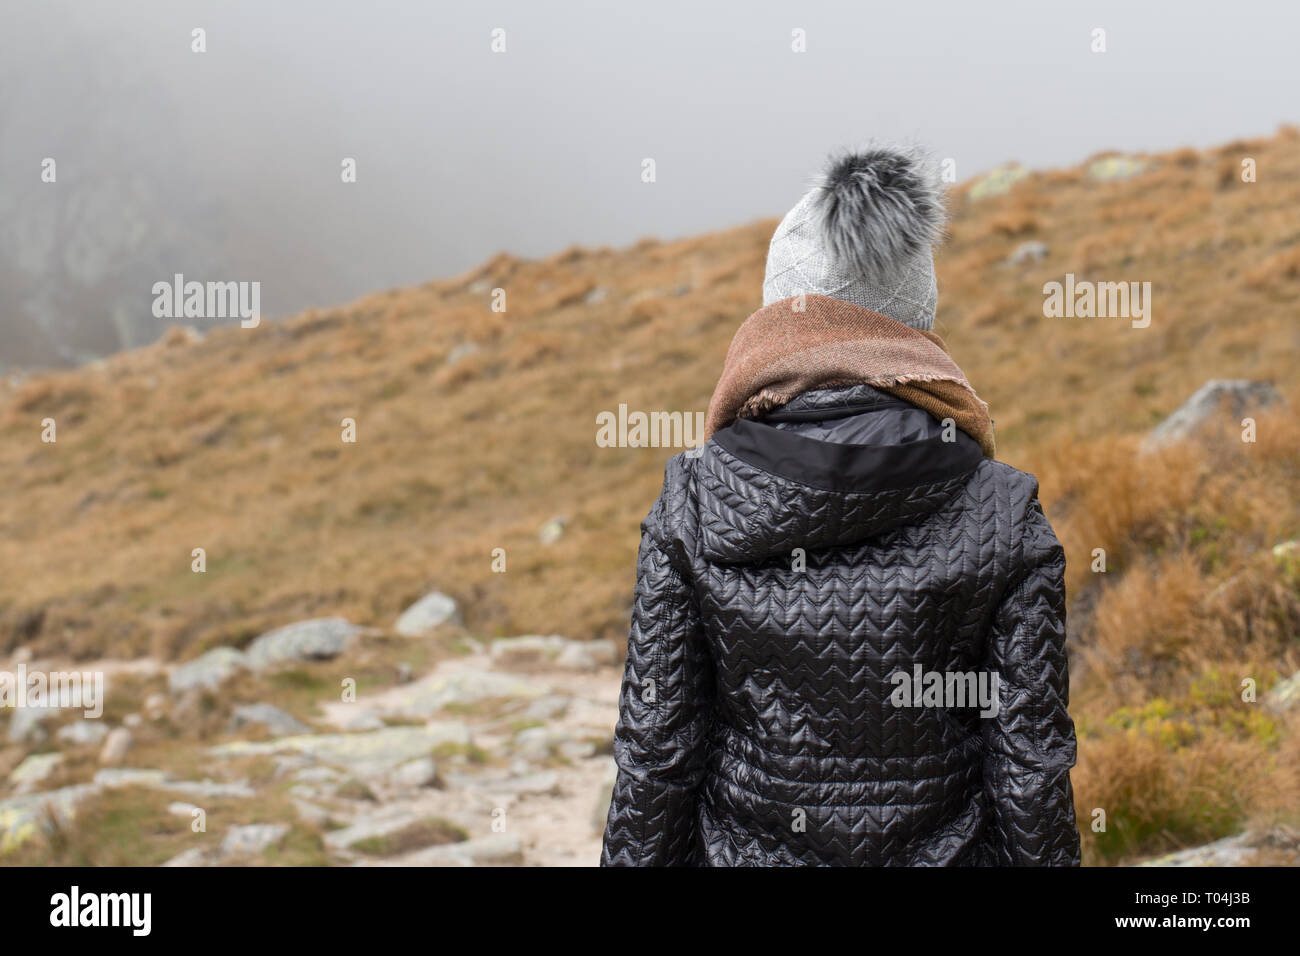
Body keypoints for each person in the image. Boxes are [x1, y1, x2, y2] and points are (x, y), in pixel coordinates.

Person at [600, 145, 1081, 866]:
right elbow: (1030, 770)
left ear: (777, 319)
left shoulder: (692, 504)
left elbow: (657, 751)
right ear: (915, 320)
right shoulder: (1004, 510)